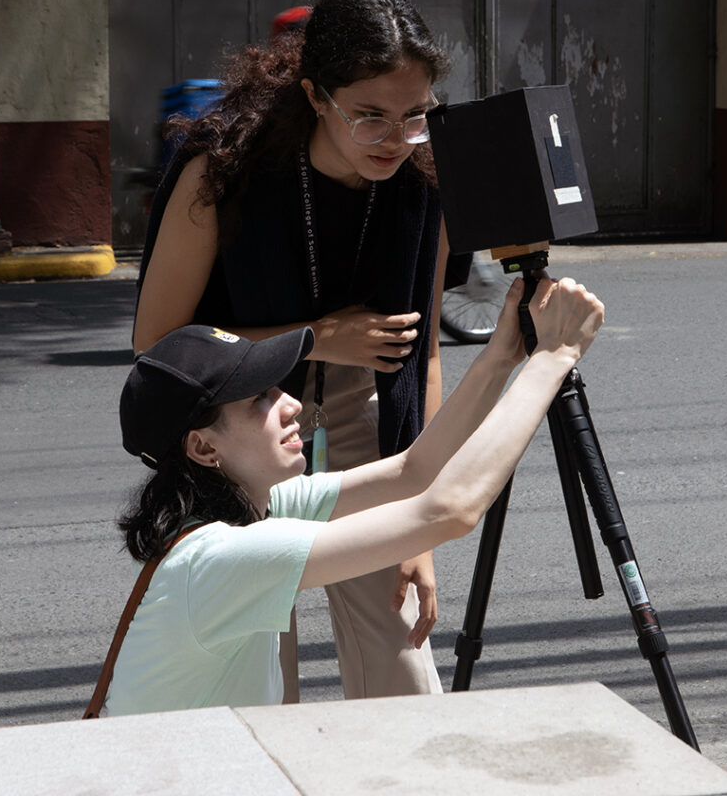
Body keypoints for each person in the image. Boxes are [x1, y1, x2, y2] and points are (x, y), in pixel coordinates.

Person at [131, 0, 459, 702]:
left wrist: (419, 533)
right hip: (241, 414)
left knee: (403, 674)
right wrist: (315, 340)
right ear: (316, 96)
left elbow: (423, 353)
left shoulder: (426, 180)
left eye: (415, 117)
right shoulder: (222, 170)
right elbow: (156, 345)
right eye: (369, 115)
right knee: (256, 680)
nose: (395, 140)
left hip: (365, 399)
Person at [99, 275, 604, 716]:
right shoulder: (222, 558)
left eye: (276, 386)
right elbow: (449, 509)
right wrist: (553, 358)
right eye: (259, 399)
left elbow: (415, 471)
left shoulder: (257, 507)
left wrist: (502, 354)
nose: (291, 403)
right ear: (204, 447)